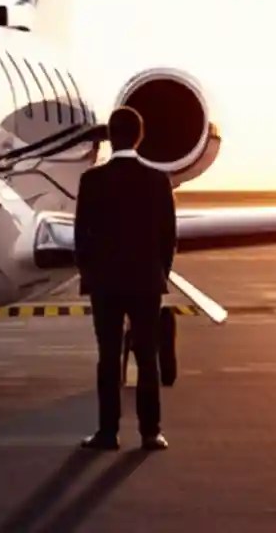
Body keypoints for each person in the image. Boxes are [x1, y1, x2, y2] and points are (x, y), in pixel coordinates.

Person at [74, 106, 176, 451]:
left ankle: (107, 433)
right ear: (139, 137)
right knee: (147, 357)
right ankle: (151, 432)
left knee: (108, 358)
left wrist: (90, 274)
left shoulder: (91, 181)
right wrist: (160, 273)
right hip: (146, 283)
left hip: (105, 285)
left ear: (109, 137)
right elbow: (168, 237)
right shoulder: (157, 181)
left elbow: (81, 237)